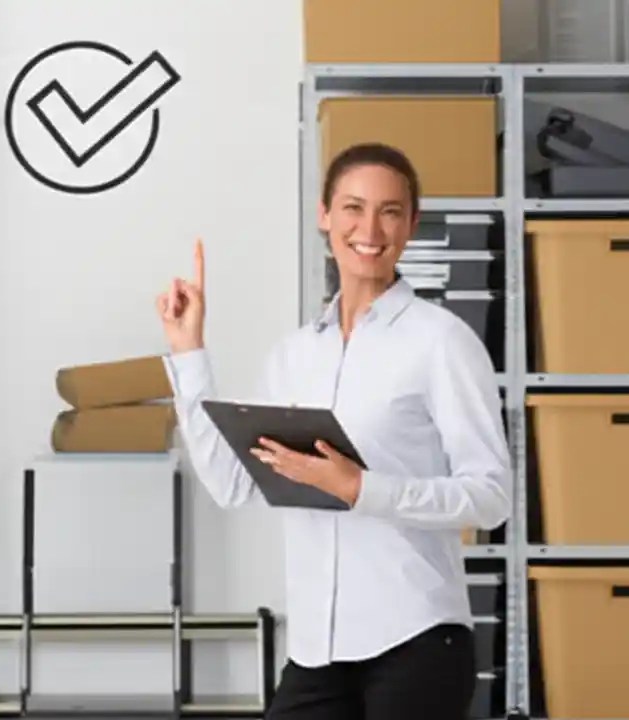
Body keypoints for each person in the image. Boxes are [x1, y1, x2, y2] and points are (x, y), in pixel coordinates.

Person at [154, 142, 512, 720]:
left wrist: (360, 488)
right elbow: (233, 484)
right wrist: (189, 351)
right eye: (353, 208)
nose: (370, 229)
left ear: (411, 224)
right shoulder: (294, 356)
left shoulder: (441, 342)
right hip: (316, 650)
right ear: (324, 215)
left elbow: (490, 496)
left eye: (390, 211)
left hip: (416, 640)